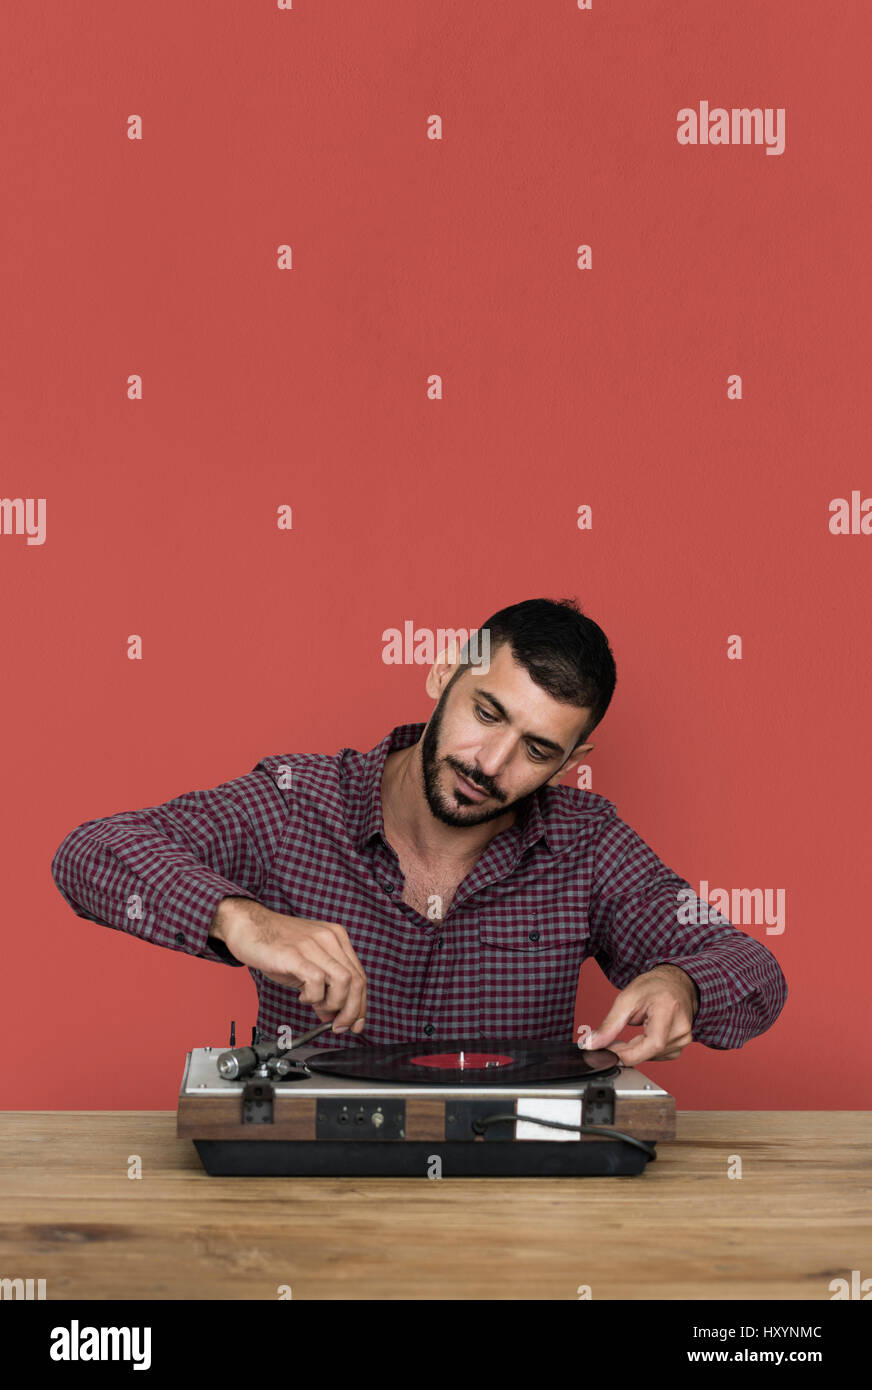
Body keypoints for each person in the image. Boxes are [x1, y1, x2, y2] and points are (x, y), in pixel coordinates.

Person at [50, 597, 787, 1064]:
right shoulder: (295, 801)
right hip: (296, 1195)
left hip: (513, 1209)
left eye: (536, 750)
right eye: (487, 713)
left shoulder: (588, 845)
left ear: (572, 761)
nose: (488, 764)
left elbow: (753, 969)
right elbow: (89, 853)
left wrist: (681, 981)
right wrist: (242, 919)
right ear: (442, 674)